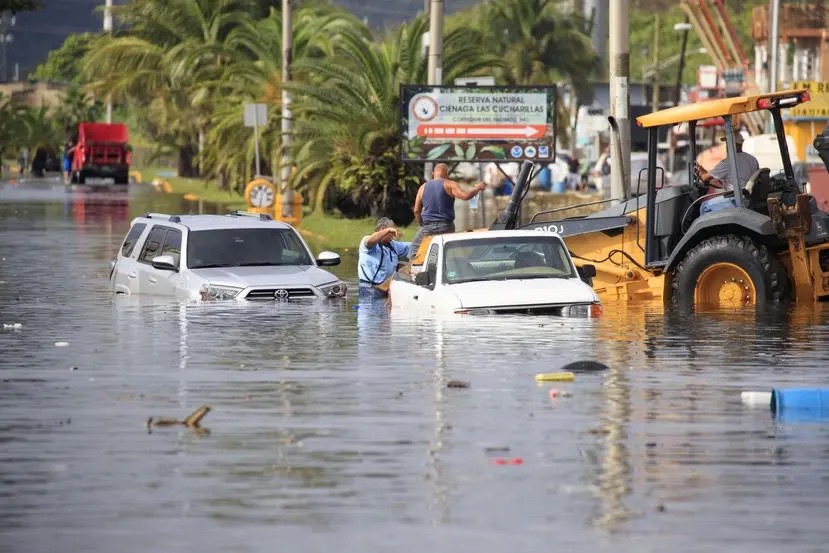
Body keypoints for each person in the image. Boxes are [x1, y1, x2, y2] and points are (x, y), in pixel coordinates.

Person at [410, 163, 486, 257]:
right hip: (446, 226)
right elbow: (466, 196)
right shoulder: (450, 184)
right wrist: (477, 188)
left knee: (414, 249)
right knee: (444, 251)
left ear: (433, 174)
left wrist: (422, 224)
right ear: (446, 174)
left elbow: (416, 210)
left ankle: (416, 269)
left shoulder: (423, 187)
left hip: (428, 227)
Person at [694, 133, 759, 214]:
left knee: (704, 207)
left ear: (733, 144)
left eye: (728, 143)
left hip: (735, 199)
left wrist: (699, 169)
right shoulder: (752, 159)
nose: (726, 146)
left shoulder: (728, 162)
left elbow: (705, 178)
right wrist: (703, 170)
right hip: (748, 198)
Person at [358, 217, 411, 297]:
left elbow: (413, 246)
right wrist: (388, 230)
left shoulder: (393, 245)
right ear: (382, 229)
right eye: (392, 233)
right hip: (368, 289)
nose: (393, 236)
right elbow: (370, 241)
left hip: (385, 288)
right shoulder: (367, 241)